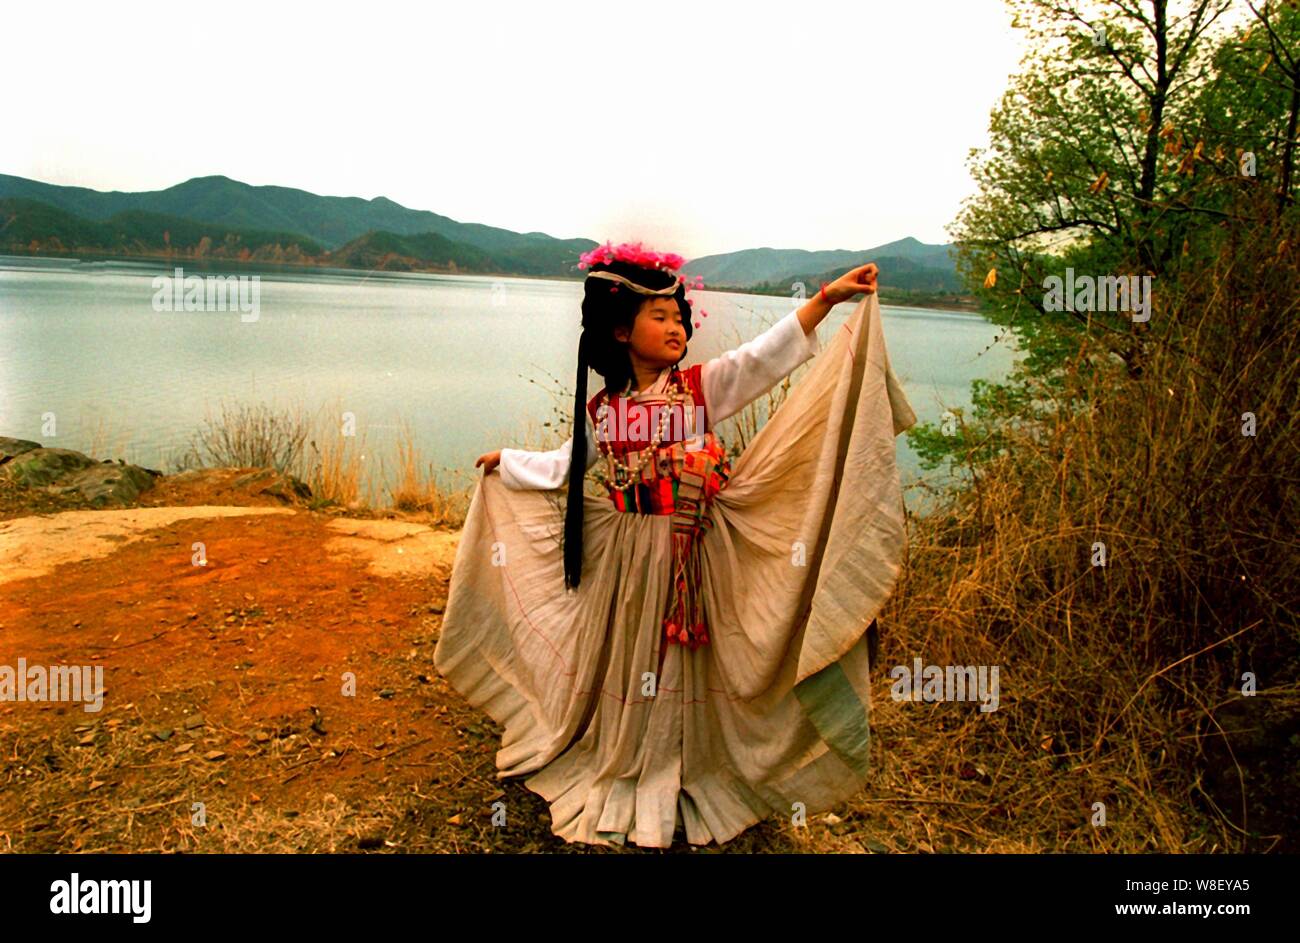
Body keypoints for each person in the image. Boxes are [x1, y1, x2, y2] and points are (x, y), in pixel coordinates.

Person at [435, 240, 917, 848]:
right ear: (619, 330)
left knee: (691, 662)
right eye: (659, 316)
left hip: (697, 552)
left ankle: (696, 762)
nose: (676, 327)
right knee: (636, 659)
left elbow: (762, 359)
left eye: (679, 317)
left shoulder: (698, 389)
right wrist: (510, 463)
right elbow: (569, 464)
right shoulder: (604, 409)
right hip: (630, 559)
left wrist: (825, 300)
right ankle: (634, 754)